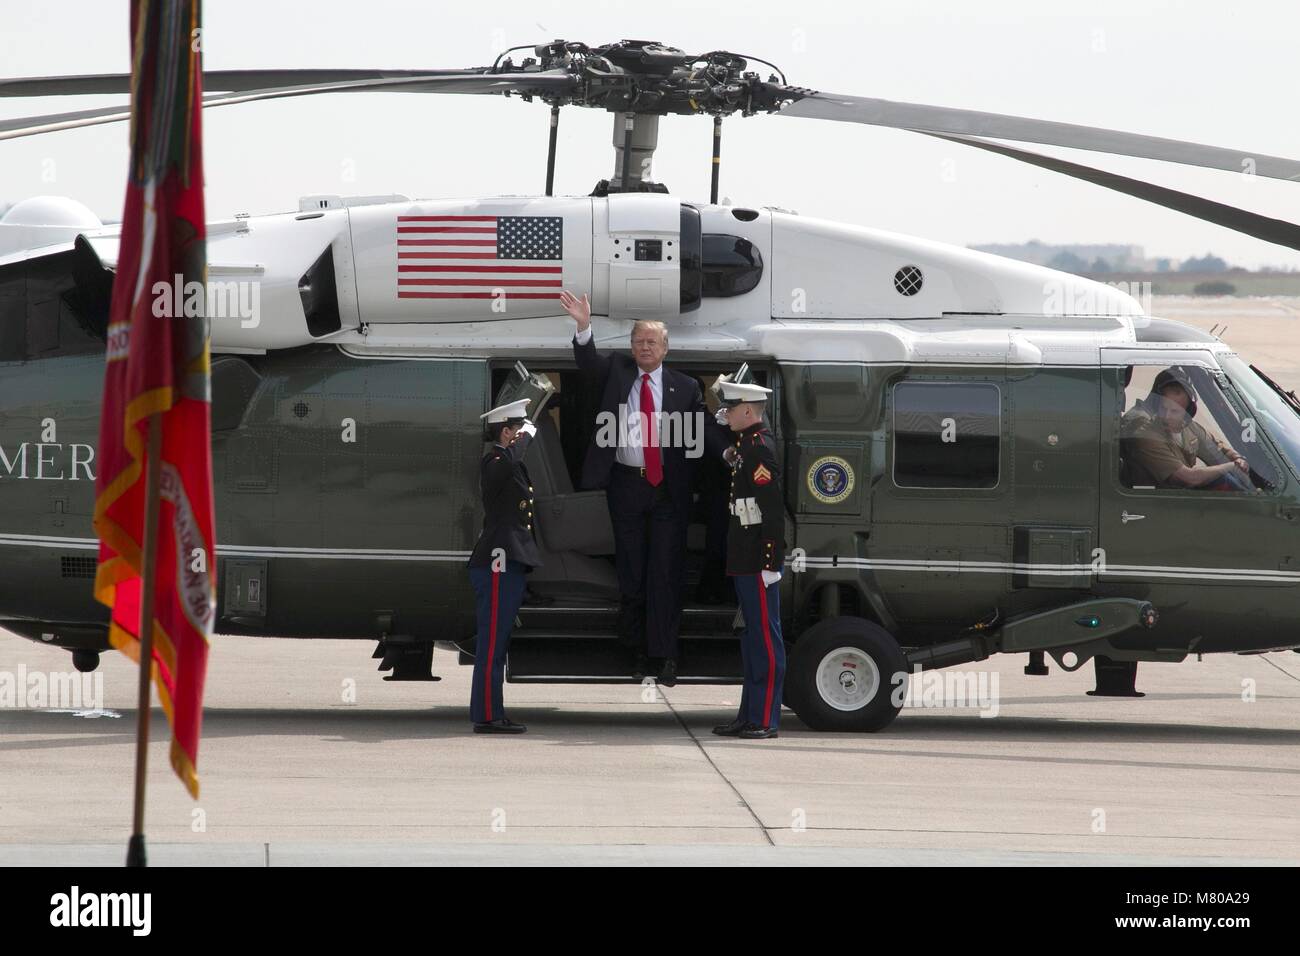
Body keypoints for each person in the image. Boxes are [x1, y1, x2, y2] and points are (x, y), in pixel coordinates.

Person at [558, 289, 725, 686]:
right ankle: (635, 654)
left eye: (651, 341)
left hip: (668, 492)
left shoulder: (684, 387)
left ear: (665, 347)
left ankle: (664, 656)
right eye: (638, 341)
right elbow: (586, 363)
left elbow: (702, 430)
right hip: (626, 487)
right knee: (632, 573)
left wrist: (733, 455)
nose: (644, 347)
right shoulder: (616, 370)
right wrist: (584, 327)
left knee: (664, 574)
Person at [711, 381, 786, 740]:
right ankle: (749, 715)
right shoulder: (746, 445)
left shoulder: (759, 449)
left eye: (730, 408)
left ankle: (766, 718)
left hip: (758, 560)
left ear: (747, 411)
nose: (725, 413)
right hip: (744, 557)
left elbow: (772, 512)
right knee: (750, 639)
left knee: (765, 639)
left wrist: (771, 561)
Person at [466, 398, 542, 734]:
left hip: (508, 561)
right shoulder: (495, 460)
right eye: (519, 428)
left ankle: (492, 711)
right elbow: (503, 467)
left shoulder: (508, 461)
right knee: (492, 642)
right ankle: (486, 715)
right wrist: (521, 441)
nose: (524, 433)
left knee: (499, 641)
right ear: (507, 431)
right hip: (498, 562)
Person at [1121, 368, 1250, 489]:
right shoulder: (1146, 435)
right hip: (1158, 505)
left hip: (1183, 501)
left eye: (1175, 411)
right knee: (1224, 478)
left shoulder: (1190, 428)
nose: (1167, 416)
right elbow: (1189, 478)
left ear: (1187, 412)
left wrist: (1237, 460)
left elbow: (1219, 452)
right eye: (1163, 409)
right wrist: (1231, 467)